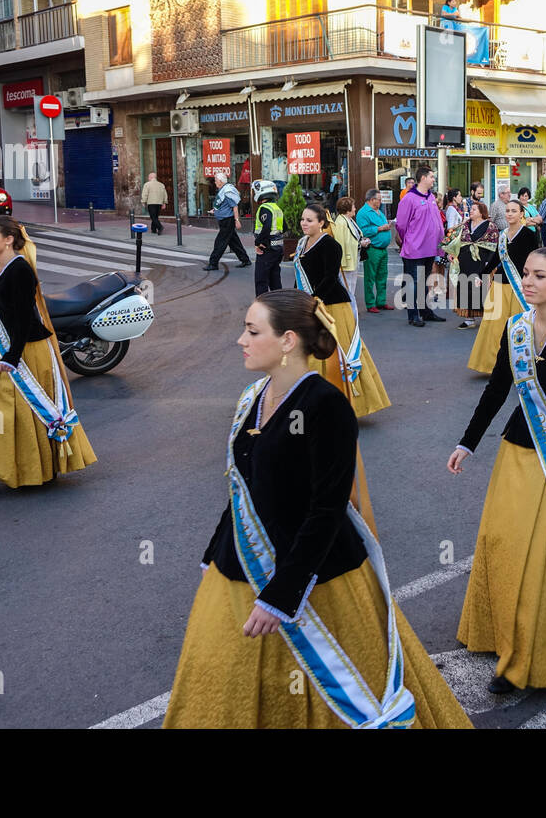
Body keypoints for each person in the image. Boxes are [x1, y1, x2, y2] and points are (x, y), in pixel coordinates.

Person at [163, 290, 471, 728]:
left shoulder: (326, 406)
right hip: (239, 569)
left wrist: (280, 597)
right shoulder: (253, 396)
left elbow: (327, 508)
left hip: (313, 581)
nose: (240, 340)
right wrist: (215, 552)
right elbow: (242, 485)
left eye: (252, 331)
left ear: (288, 340)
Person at [448, 247, 546, 693]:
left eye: (539, 275)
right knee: (504, 542)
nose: (528, 281)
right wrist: (468, 442)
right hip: (518, 449)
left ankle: (532, 653)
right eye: (525, 274)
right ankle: (498, 632)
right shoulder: (515, 329)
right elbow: (498, 390)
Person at [0, 217, 96, 496]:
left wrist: (11, 356)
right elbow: (0, 312)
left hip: (24, 350)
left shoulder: (19, 270)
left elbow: (21, 319)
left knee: (19, 413)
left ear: (8, 239)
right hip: (1, 347)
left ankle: (33, 468)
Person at [294, 204, 390, 419]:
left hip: (334, 305)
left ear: (322, 223)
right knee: (312, 352)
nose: (304, 223)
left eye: (309, 220)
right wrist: (299, 300)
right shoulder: (302, 245)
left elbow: (330, 277)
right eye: (303, 219)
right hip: (313, 305)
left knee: (342, 353)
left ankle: (352, 404)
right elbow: (300, 278)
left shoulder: (330, 245)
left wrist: (314, 300)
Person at [468, 200, 540, 374]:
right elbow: (495, 259)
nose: (509, 214)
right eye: (507, 211)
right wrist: (482, 274)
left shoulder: (530, 235)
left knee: (520, 327)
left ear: (522, 214)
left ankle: (521, 364)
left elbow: (536, 260)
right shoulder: (503, 235)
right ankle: (492, 365)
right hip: (500, 284)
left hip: (520, 287)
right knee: (493, 326)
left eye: (514, 211)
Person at [394, 166, 446, 327]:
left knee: (424, 282)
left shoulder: (430, 197)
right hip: (415, 248)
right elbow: (401, 225)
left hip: (430, 248)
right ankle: (413, 314)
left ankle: (425, 311)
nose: (433, 179)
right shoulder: (409, 199)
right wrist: (409, 240)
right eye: (431, 177)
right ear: (423, 178)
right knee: (413, 282)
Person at [451, 200, 496, 328]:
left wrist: (490, 261)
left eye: (474, 209)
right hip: (465, 260)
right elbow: (455, 240)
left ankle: (487, 318)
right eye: (471, 209)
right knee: (465, 285)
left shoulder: (490, 226)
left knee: (481, 288)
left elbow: (493, 244)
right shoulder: (465, 224)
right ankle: (469, 318)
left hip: (481, 260)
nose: (471, 211)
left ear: (482, 212)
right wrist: (452, 252)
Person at [204, 172, 251, 271]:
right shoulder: (223, 190)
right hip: (224, 220)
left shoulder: (227, 191)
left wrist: (237, 220)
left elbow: (234, 206)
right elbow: (222, 204)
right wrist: (215, 210)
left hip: (227, 221)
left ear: (221, 181)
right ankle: (245, 260)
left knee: (220, 242)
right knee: (234, 242)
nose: (215, 182)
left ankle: (213, 263)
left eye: (216, 181)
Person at [356, 189, 394, 313]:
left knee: (382, 276)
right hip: (373, 249)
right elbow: (363, 231)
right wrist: (380, 228)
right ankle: (370, 303)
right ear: (372, 200)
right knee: (370, 277)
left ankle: (381, 301)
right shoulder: (363, 213)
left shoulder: (379, 211)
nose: (381, 201)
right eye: (379, 199)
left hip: (383, 249)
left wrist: (387, 225)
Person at [331, 197, 366, 321]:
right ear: (347, 209)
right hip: (347, 261)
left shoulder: (348, 220)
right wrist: (360, 244)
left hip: (352, 259)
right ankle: (348, 313)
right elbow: (341, 244)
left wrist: (361, 242)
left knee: (351, 287)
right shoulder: (341, 223)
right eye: (353, 206)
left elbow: (354, 238)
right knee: (347, 287)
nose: (355, 208)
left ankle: (350, 312)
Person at [251, 179, 284, 296]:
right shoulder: (277, 208)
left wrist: (257, 242)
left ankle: (262, 304)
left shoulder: (264, 208)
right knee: (275, 278)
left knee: (261, 279)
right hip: (278, 248)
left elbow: (267, 226)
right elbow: (285, 226)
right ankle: (278, 303)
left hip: (266, 248)